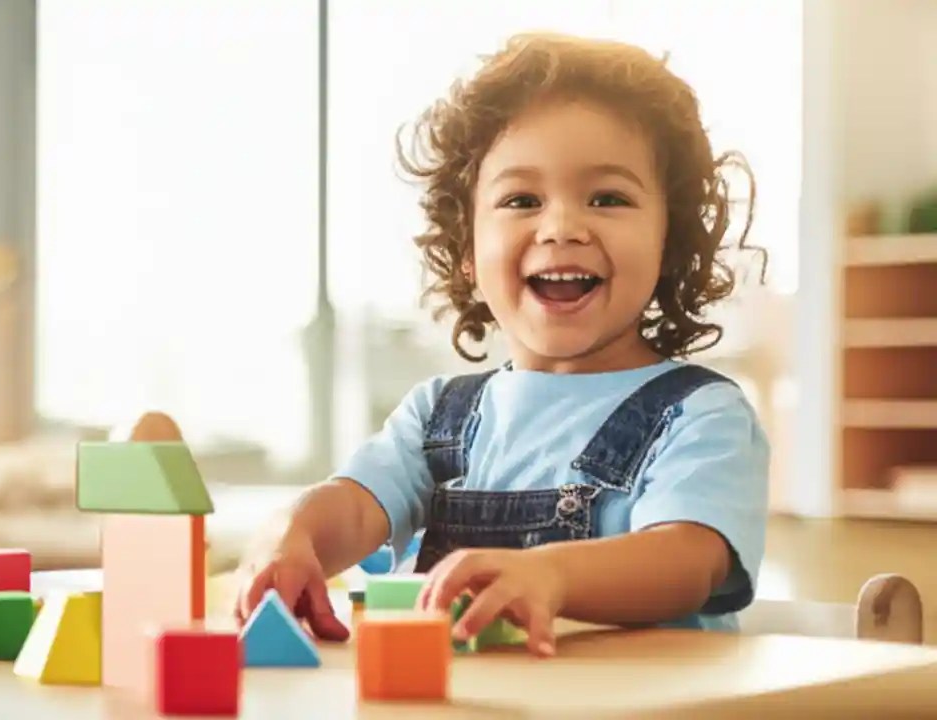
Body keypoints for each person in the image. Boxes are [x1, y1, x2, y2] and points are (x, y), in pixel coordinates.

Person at [234, 31, 770, 659]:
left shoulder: (700, 414)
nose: (563, 226)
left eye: (608, 197)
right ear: (466, 251)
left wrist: (554, 576)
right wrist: (289, 534)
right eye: (521, 199)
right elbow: (350, 510)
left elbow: (687, 559)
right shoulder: (437, 416)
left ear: (668, 241)